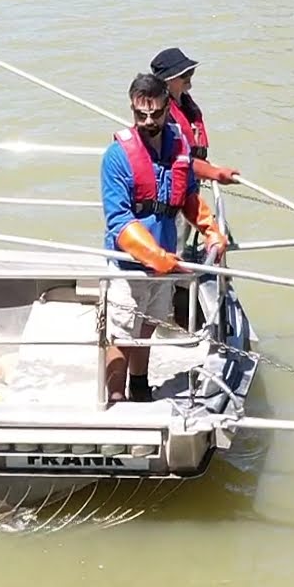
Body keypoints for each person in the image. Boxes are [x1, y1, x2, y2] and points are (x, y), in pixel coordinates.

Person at [99, 73, 228, 403]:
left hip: (166, 262)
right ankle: (115, 396)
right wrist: (156, 257)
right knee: (122, 333)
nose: (147, 121)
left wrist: (211, 229)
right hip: (130, 265)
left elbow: (187, 196)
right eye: (140, 115)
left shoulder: (179, 147)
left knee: (148, 327)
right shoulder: (116, 157)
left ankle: (139, 386)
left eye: (155, 113)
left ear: (167, 107)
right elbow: (119, 220)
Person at [149, 47, 240, 185]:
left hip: (191, 181)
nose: (189, 76)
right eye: (183, 74)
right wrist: (215, 173)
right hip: (173, 183)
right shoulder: (161, 115)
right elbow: (178, 158)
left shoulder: (185, 103)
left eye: (190, 71)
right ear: (167, 80)